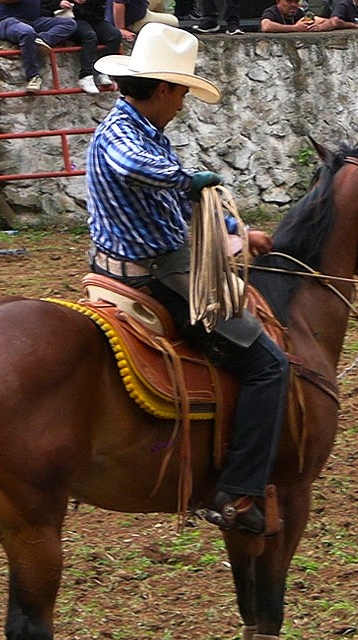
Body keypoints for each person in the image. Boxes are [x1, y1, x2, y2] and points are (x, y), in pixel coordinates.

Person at [87, 23, 286, 535]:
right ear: (163, 89)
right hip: (159, 276)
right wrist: (190, 178)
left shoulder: (147, 132)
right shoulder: (121, 137)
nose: (183, 104)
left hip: (144, 265)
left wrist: (238, 229)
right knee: (267, 366)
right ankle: (238, 493)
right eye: (181, 92)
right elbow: (141, 170)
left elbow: (187, 200)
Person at [0, 0, 76, 92]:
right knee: (27, 32)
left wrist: (60, 3)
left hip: (33, 21)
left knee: (69, 23)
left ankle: (42, 39)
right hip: (8, 21)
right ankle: (33, 76)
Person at [44, 0, 121, 93]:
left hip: (93, 18)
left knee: (114, 35)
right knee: (89, 37)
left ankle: (104, 71)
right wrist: (61, 3)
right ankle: (86, 75)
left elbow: (100, 8)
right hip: (70, 19)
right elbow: (45, 5)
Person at [108, 0, 176, 44]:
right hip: (132, 20)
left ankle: (156, 37)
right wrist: (121, 29)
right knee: (174, 22)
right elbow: (118, 4)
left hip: (140, 8)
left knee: (158, 1)